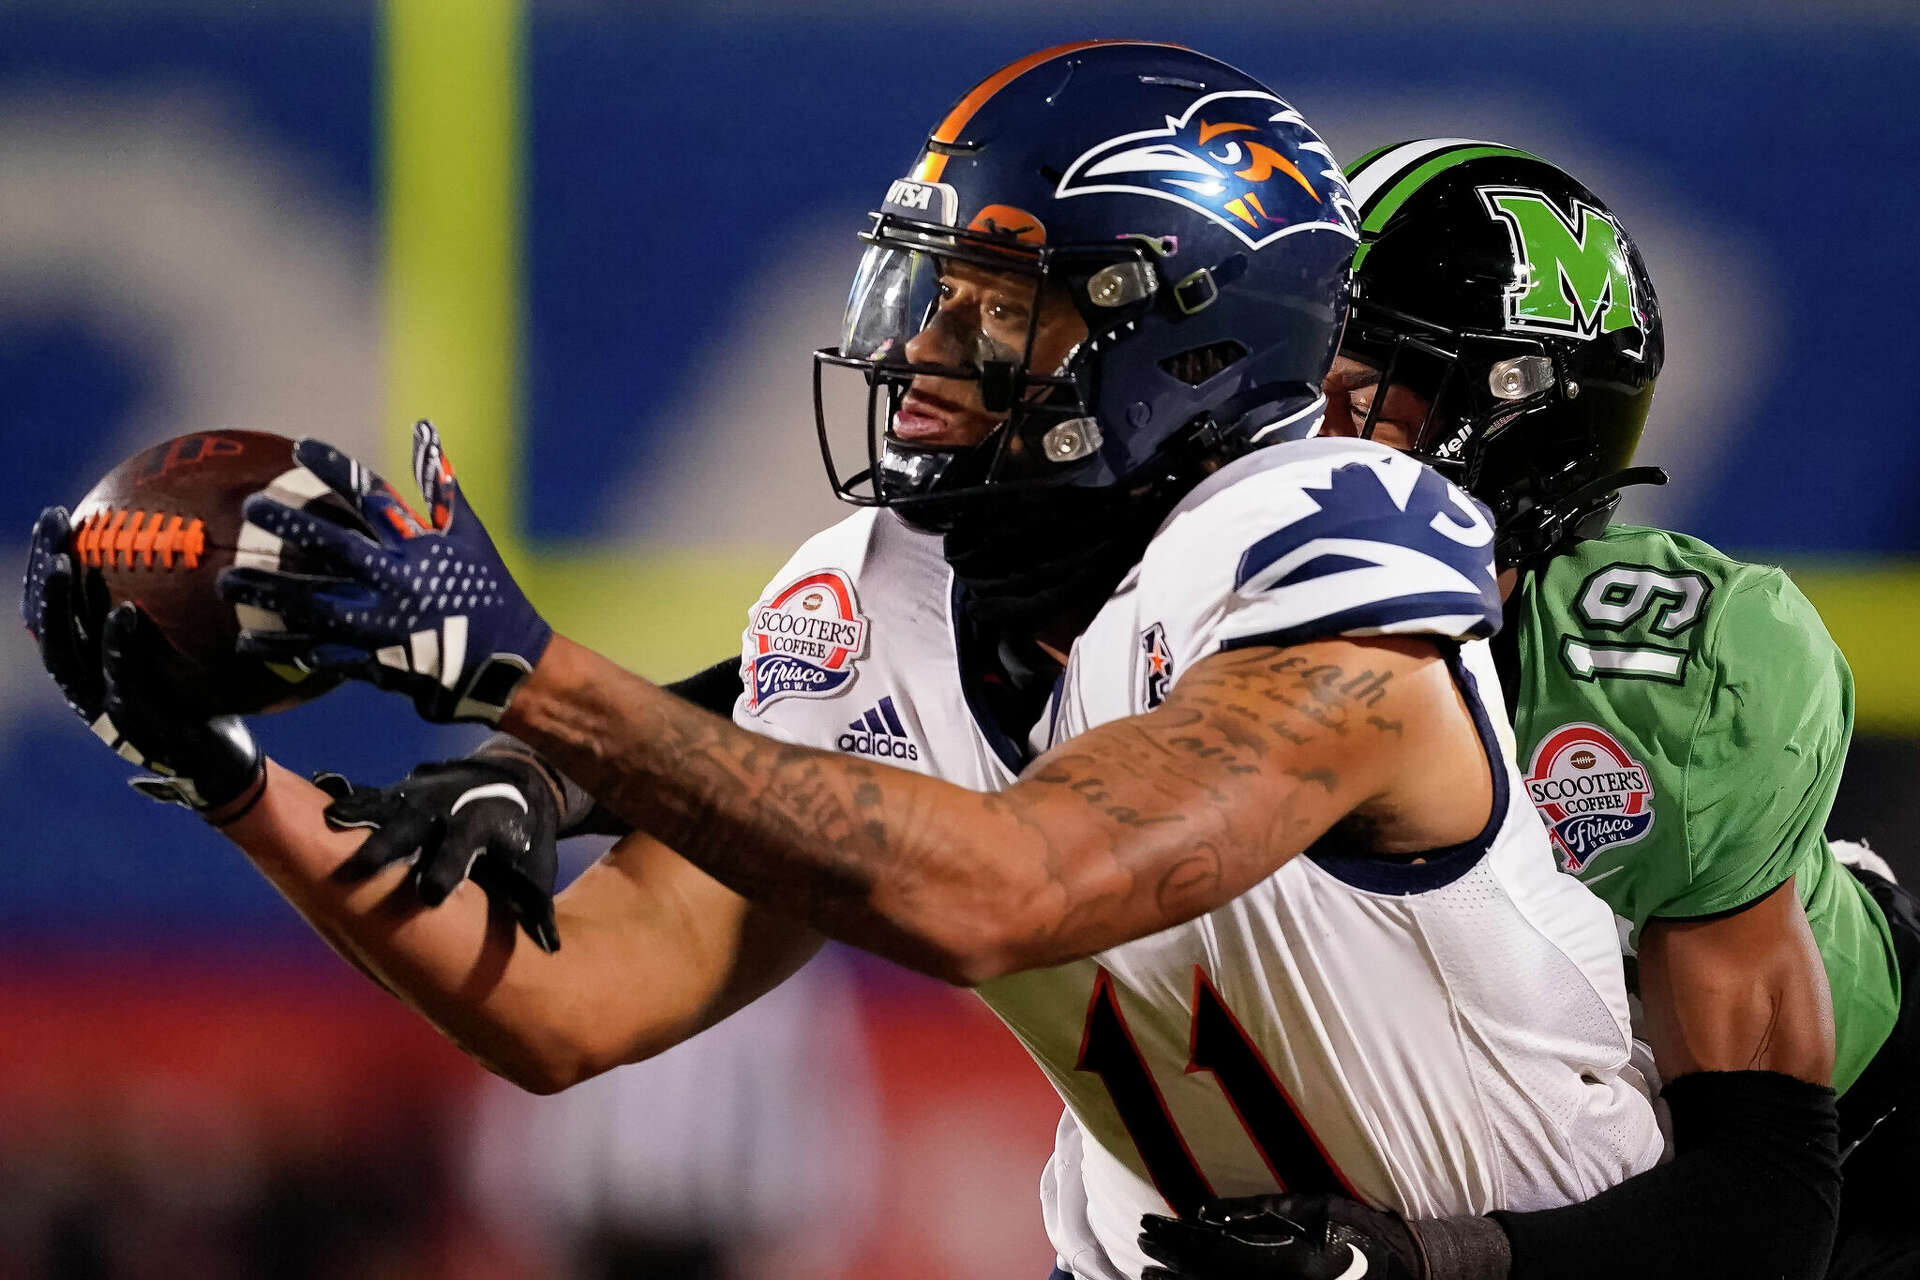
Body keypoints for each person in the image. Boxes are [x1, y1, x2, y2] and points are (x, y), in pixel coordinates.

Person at [23, 48, 1664, 1280]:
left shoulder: (1341, 534)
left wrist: (531, 676)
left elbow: (1014, 888)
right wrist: (226, 780)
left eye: (1002, 307)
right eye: (928, 290)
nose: (920, 355)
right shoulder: (875, 593)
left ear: (1194, 339)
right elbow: (578, 1000)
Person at [1134, 143, 1920, 1280]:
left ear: (1514, 419)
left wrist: (1419, 1260)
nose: (1290, 444)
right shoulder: (1192, 617)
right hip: (1559, 1157)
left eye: (1354, 392)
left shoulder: (1661, 683)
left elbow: (1764, 1205)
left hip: (1859, 1167)